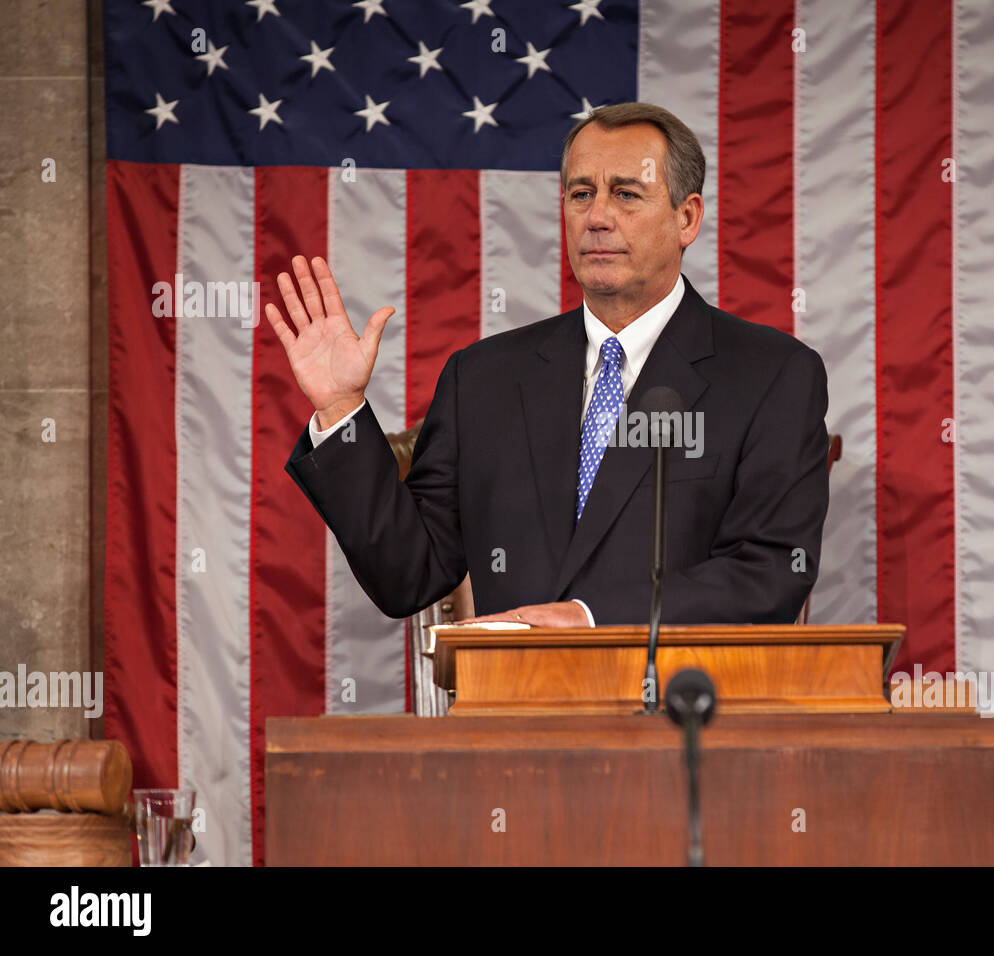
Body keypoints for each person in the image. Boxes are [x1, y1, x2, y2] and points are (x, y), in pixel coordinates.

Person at [267, 102, 829, 627]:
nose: (598, 217)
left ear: (687, 218)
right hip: (514, 716)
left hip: (678, 717)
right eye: (580, 194)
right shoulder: (482, 379)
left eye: (627, 194)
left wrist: (589, 619)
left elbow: (771, 571)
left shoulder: (772, 377)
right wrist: (341, 407)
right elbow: (408, 575)